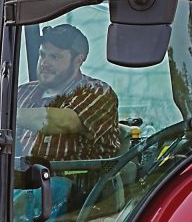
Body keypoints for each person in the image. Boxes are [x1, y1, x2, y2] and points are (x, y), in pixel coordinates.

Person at [17, 23, 122, 163]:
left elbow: (62, 122)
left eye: (54, 57)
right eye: (42, 55)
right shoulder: (22, 93)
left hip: (73, 180)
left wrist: (7, 115)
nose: (44, 63)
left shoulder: (97, 92)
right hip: (19, 177)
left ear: (78, 60)